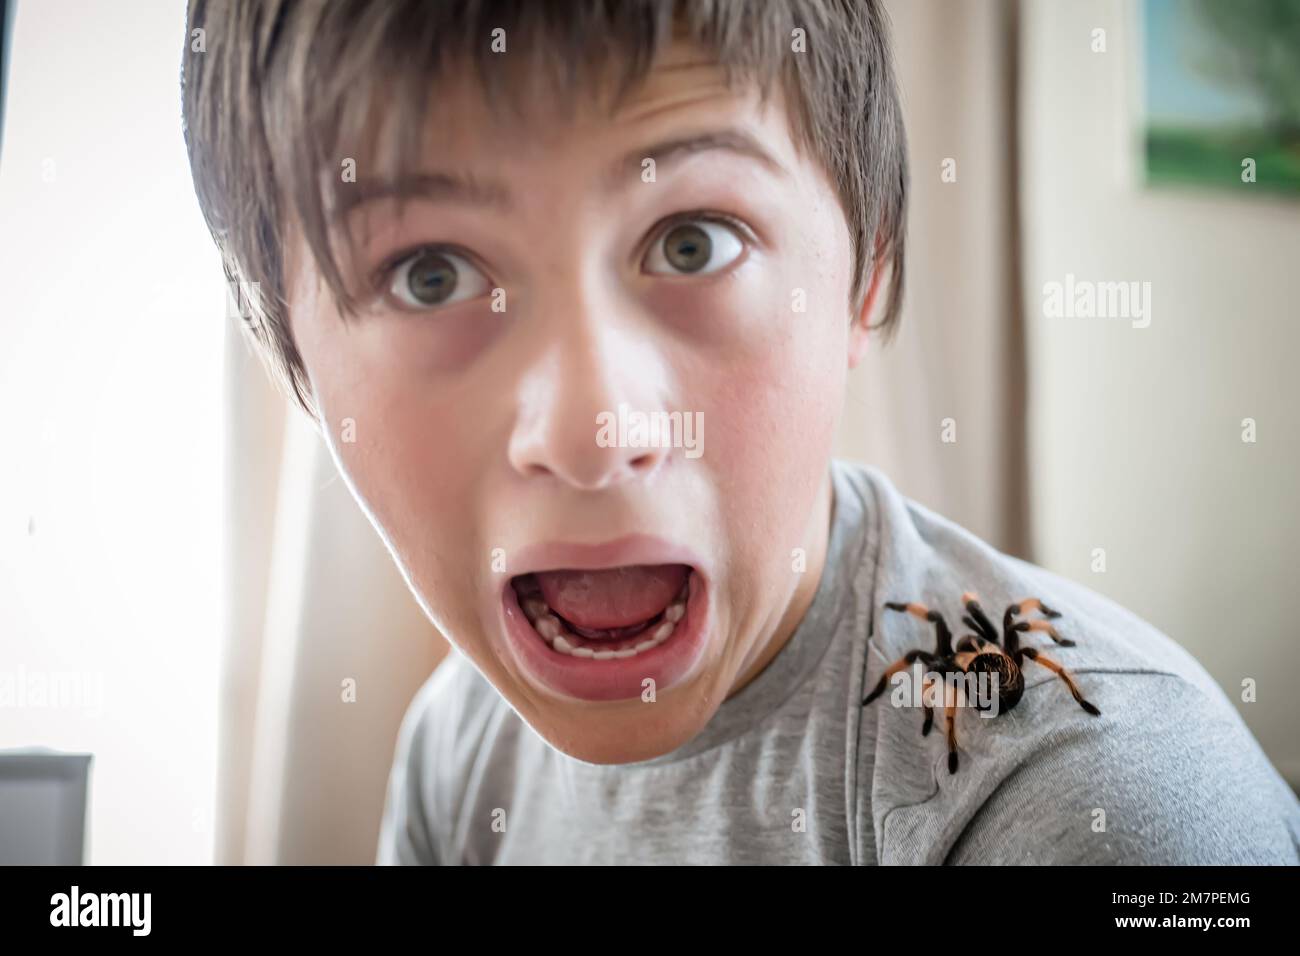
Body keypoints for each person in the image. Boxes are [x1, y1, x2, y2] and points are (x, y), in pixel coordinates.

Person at [180, 0, 1300, 864]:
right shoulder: (458, 747)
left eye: (691, 242)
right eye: (431, 274)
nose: (590, 431)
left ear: (866, 274)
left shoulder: (1102, 803)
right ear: (290, 349)